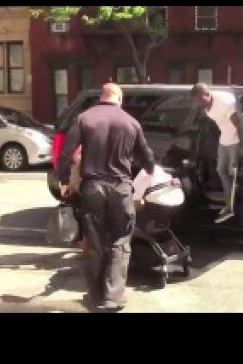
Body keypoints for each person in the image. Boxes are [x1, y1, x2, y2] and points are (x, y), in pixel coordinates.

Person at [57, 83, 155, 312]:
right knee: (120, 241)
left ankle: (95, 295)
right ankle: (113, 298)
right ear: (119, 98)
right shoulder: (132, 122)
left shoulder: (84, 118)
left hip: (93, 188)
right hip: (121, 188)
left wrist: (64, 181)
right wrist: (147, 174)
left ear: (102, 97)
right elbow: (147, 157)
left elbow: (66, 153)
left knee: (95, 243)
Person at [190, 83, 242, 224]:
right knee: (221, 170)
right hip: (224, 140)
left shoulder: (224, 103)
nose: (197, 104)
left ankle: (233, 207)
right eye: (195, 101)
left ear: (206, 95)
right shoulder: (206, 105)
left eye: (198, 101)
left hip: (235, 142)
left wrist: (241, 148)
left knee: (232, 173)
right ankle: (228, 204)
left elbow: (239, 125)